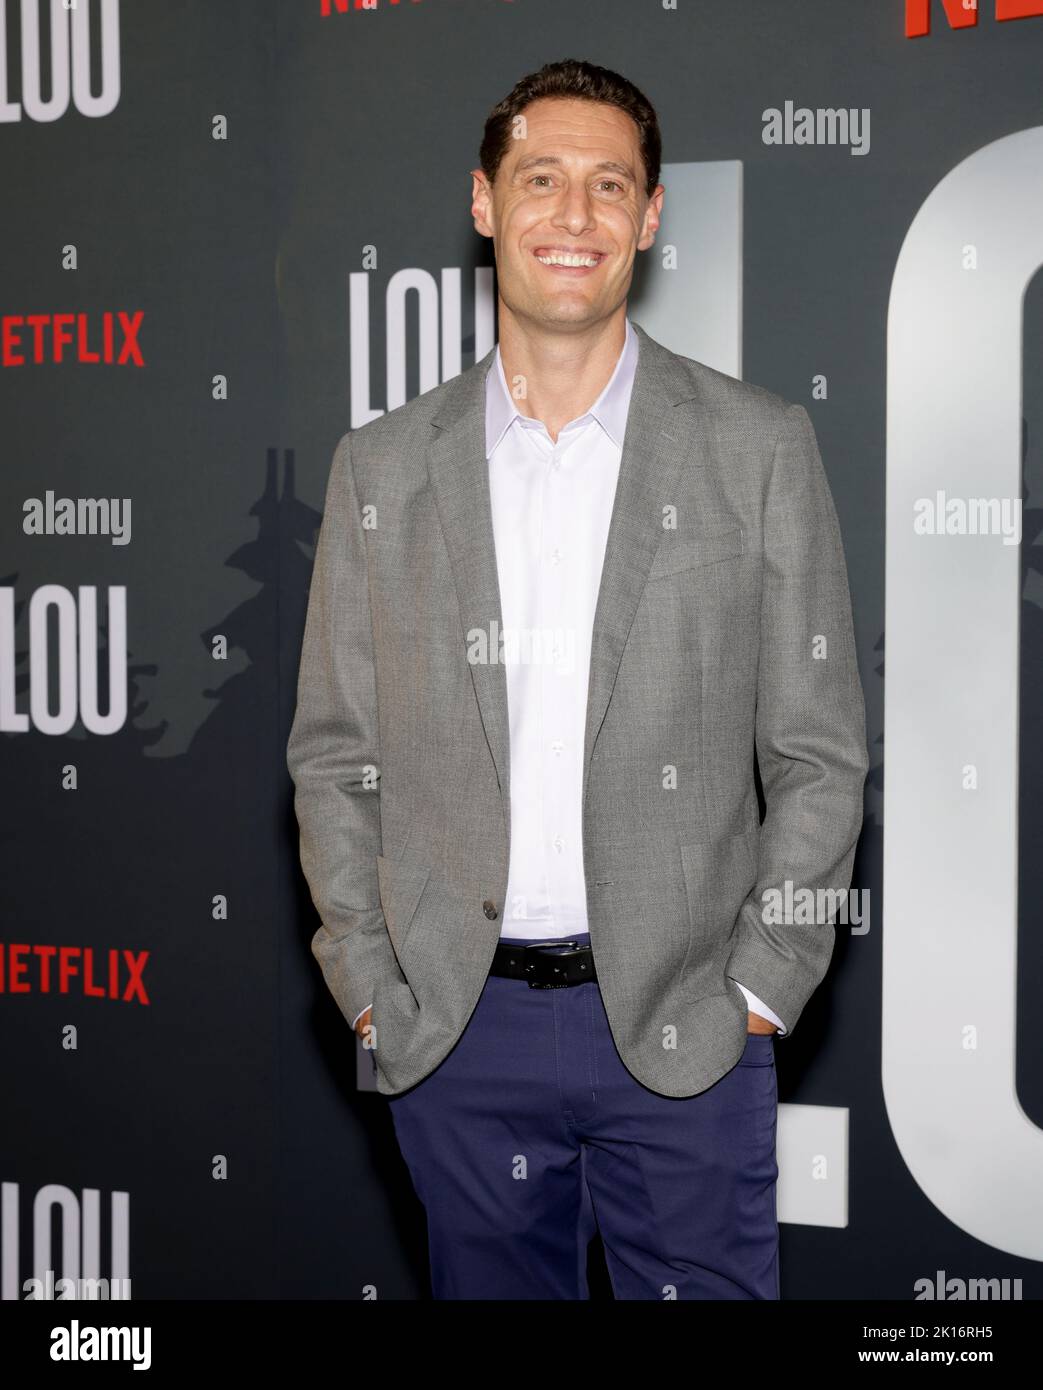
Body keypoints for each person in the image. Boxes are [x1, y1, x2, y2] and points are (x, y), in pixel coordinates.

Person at [286, 57, 869, 1300]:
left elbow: (819, 756)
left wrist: (762, 988)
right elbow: (336, 753)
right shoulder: (379, 470)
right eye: (540, 178)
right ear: (485, 204)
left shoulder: (757, 447)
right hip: (456, 1034)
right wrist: (371, 987)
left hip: (687, 1030)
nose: (574, 214)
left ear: (649, 219)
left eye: (610, 185)